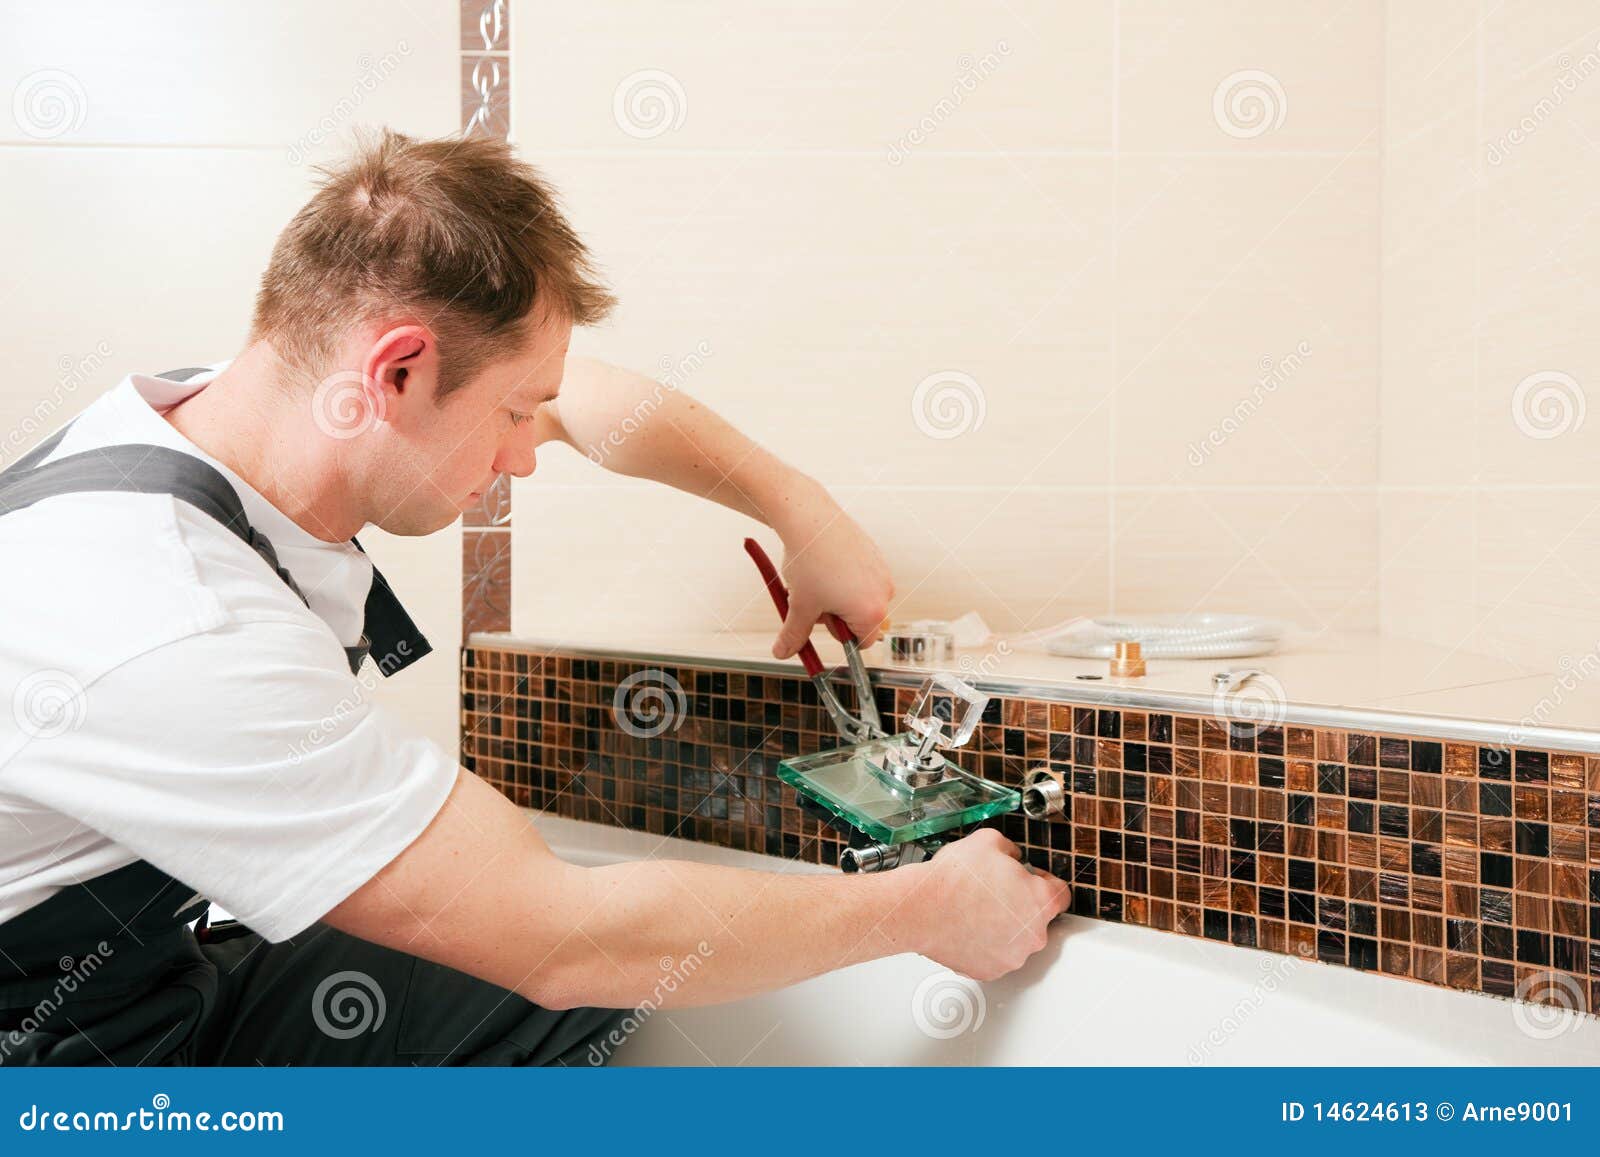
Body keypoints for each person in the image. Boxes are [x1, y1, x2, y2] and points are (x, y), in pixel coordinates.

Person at [0, 130, 1069, 1066]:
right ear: (399, 371)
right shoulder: (172, 617)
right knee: (562, 961)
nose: (528, 452)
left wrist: (802, 508)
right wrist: (926, 906)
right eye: (514, 411)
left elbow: (595, 403)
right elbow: (566, 940)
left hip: (140, 992)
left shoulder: (235, 409)